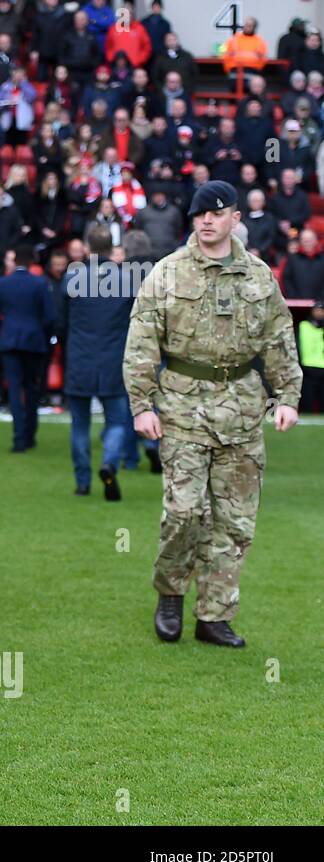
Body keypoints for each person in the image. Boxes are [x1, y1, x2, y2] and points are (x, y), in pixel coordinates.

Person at [124, 180, 302, 648]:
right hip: (182, 407)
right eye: (201, 214)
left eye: (217, 213)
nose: (207, 221)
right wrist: (142, 405)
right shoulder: (167, 273)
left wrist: (287, 396)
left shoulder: (259, 276)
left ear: (235, 219)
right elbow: (142, 342)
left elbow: (279, 339)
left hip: (242, 410)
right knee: (183, 513)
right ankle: (170, 593)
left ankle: (214, 614)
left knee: (234, 520)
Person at [59, 225, 135, 497]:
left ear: (88, 247)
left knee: (80, 424)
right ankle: (109, 463)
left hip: (81, 358)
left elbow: (59, 321)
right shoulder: (127, 279)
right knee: (116, 420)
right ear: (111, 247)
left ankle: (82, 482)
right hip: (114, 359)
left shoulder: (73, 277)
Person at [0, 245, 56, 452]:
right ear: (31, 262)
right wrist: (43, 335)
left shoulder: (2, 283)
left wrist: (0, 330)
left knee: (14, 388)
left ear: (13, 262)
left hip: (9, 340)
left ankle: (19, 438)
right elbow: (50, 317)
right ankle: (30, 434)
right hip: (34, 341)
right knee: (32, 387)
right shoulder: (40, 283)